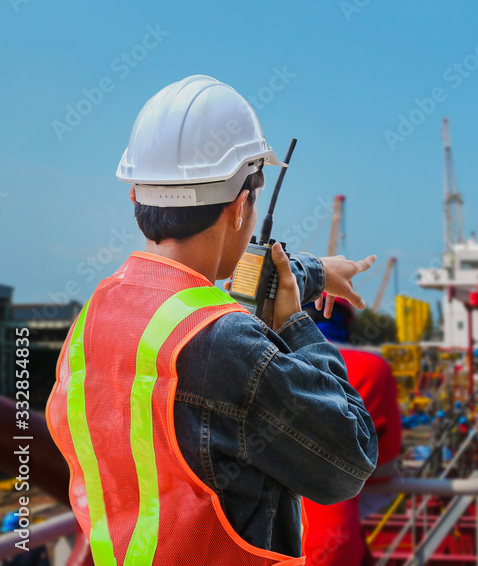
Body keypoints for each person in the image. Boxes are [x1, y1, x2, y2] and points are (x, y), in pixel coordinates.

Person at [46, 76, 378, 565]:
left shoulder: (96, 315)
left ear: (136, 196)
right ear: (241, 205)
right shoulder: (224, 342)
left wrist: (317, 272)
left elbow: (220, 293)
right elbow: (348, 458)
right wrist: (297, 329)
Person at [302, 297, 403, 566]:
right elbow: (383, 468)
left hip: (246, 541)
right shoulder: (371, 369)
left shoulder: (259, 358)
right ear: (346, 320)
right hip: (329, 540)